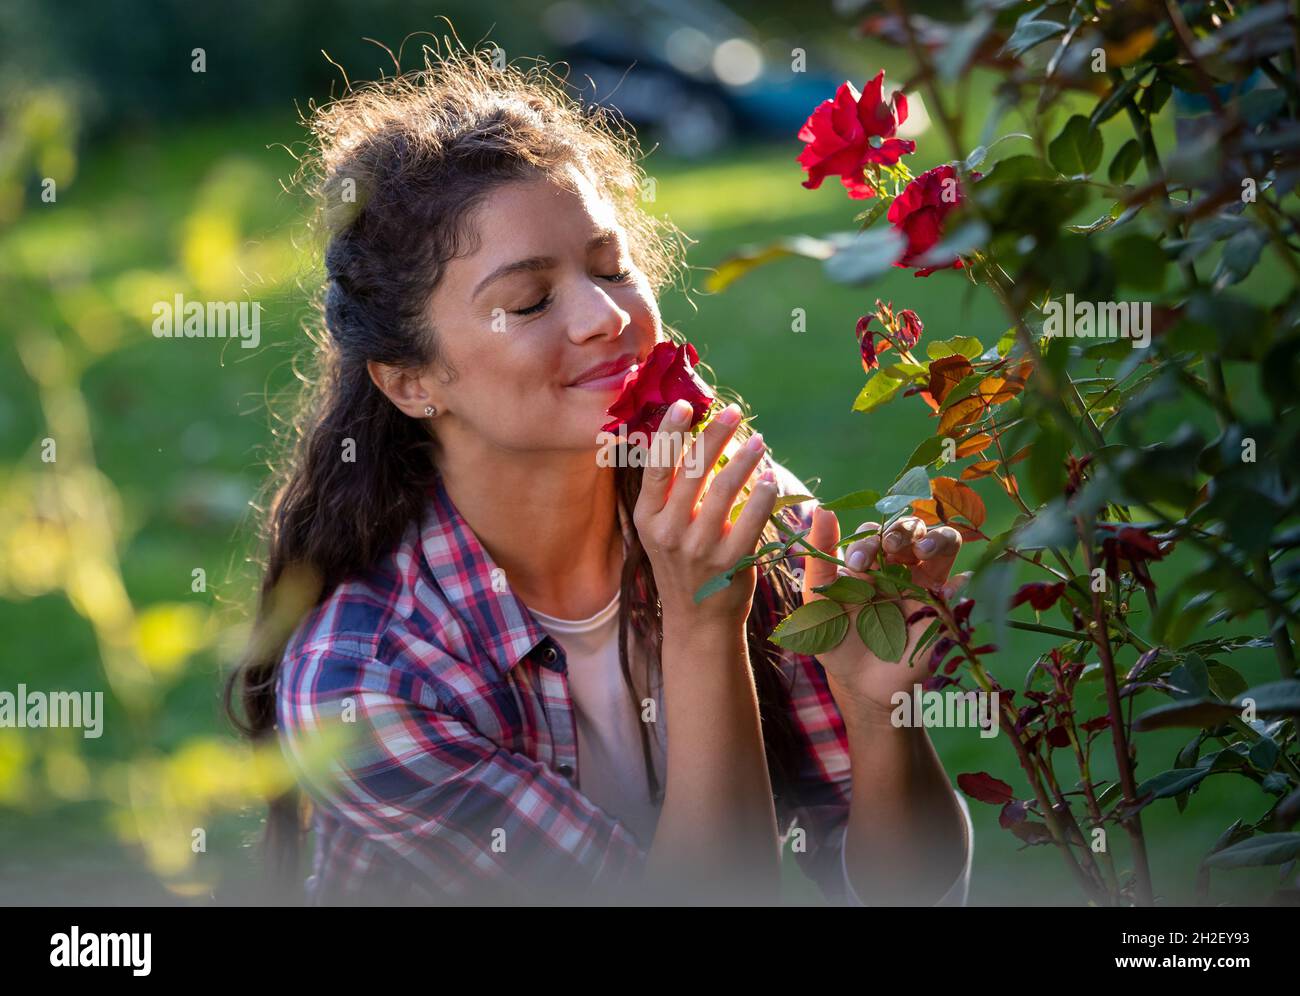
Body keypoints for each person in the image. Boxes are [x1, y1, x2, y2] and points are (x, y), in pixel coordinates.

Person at [226, 45, 973, 906]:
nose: (607, 316)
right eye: (530, 302)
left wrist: (880, 713)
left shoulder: (736, 518)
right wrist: (701, 625)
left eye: (612, 267)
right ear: (412, 381)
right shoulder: (370, 680)